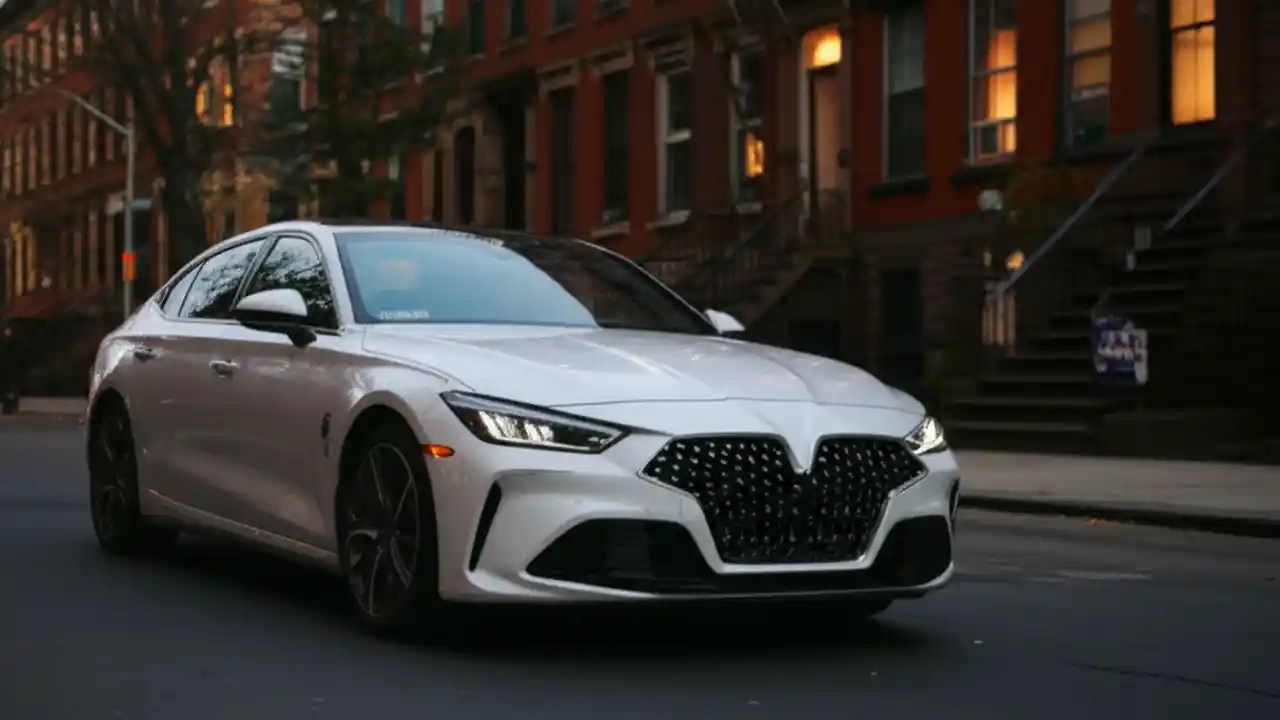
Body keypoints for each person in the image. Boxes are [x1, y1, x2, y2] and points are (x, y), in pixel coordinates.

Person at [0, 321, 18, 414]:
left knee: (8, 384)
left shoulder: (6, 326)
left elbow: (9, 338)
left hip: (6, 359)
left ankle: (9, 406)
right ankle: (8, 405)